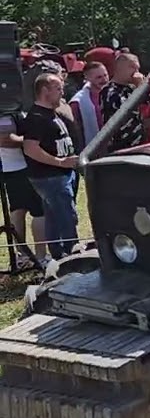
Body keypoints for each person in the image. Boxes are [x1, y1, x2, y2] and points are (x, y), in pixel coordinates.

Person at [21, 72, 79, 260]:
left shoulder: (52, 113)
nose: (62, 93)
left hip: (61, 174)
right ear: (44, 90)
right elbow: (30, 148)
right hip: (49, 176)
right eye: (58, 89)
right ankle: (73, 256)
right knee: (66, 218)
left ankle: (59, 256)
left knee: (54, 218)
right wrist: (60, 162)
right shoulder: (36, 117)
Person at [0, 117, 47, 271]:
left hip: (13, 168)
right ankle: (38, 256)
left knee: (18, 210)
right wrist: (29, 140)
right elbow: (7, 140)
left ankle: (25, 255)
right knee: (37, 212)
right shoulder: (7, 115)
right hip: (19, 168)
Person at [101, 52, 146, 152]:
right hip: (120, 147)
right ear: (119, 68)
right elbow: (124, 110)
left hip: (138, 145)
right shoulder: (109, 91)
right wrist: (140, 88)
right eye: (132, 67)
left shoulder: (131, 88)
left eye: (137, 68)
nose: (136, 72)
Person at [67, 60, 107, 149]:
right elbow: (76, 133)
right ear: (88, 78)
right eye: (99, 77)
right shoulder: (77, 103)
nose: (104, 80)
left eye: (105, 75)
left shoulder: (113, 94)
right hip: (92, 150)